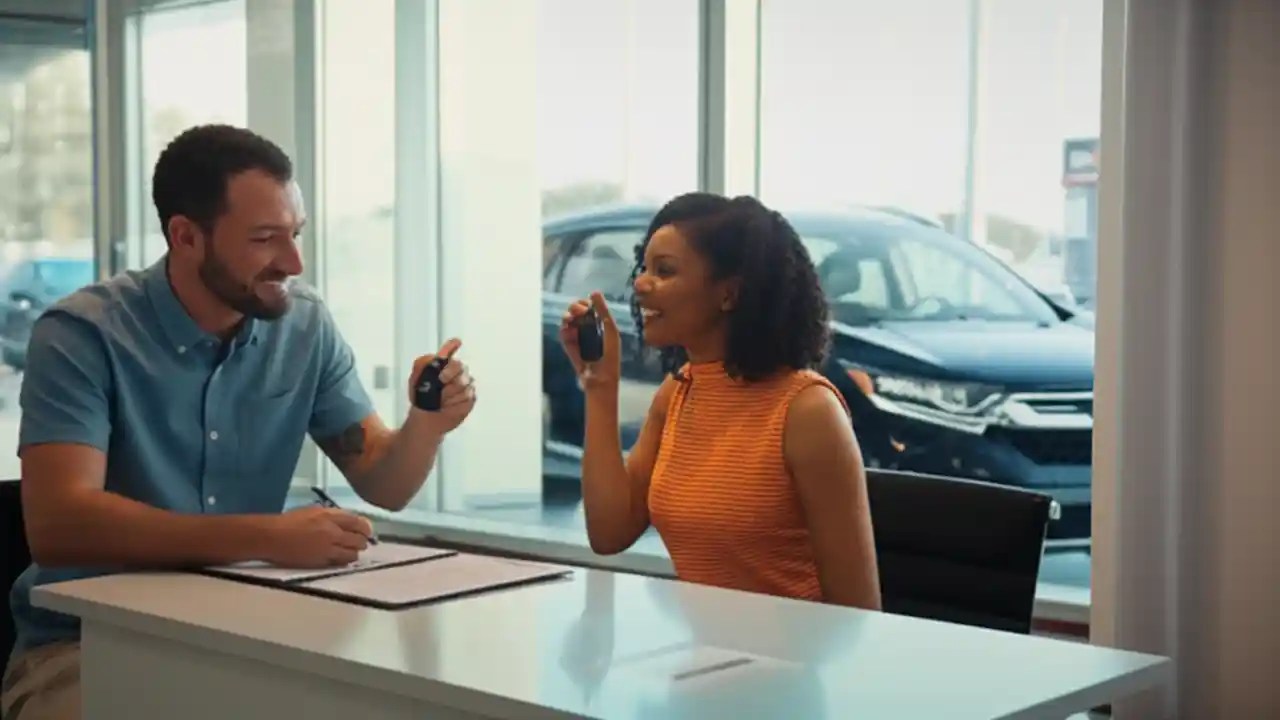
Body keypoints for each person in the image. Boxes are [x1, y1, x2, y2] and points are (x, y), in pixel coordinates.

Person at [1, 124, 476, 720]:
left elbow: (386, 482)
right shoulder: (83, 334)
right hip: (81, 646)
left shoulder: (305, 326)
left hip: (251, 637)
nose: (294, 261)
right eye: (264, 239)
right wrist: (266, 536)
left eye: (296, 234)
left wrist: (427, 423)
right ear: (185, 236)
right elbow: (61, 525)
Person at [559, 192, 881, 610]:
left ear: (729, 294)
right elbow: (608, 534)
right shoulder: (678, 393)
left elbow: (860, 613)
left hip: (792, 667)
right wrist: (600, 387)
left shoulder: (808, 411)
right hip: (706, 658)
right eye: (644, 267)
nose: (640, 283)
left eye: (665, 270)